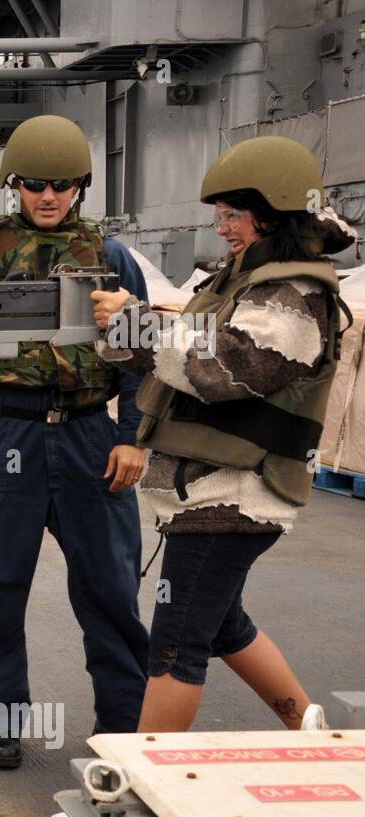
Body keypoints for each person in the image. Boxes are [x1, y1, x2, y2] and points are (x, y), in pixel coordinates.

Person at [90, 135, 356, 732]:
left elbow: (229, 368)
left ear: (274, 211)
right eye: (221, 216)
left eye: (233, 215)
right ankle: (307, 727)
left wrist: (136, 323)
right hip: (211, 494)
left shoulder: (294, 292)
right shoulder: (245, 279)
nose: (223, 229)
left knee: (176, 644)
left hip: (232, 496)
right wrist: (123, 329)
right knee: (224, 624)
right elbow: (178, 359)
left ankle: (133, 795)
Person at [0, 114, 151, 769]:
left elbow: (136, 350)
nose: (48, 197)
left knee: (110, 591)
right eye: (35, 185)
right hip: (5, 432)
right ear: (14, 185)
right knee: (1, 590)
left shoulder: (111, 258)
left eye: (62, 185)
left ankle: (123, 731)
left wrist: (133, 438)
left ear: (79, 186)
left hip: (88, 435)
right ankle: (1, 721)